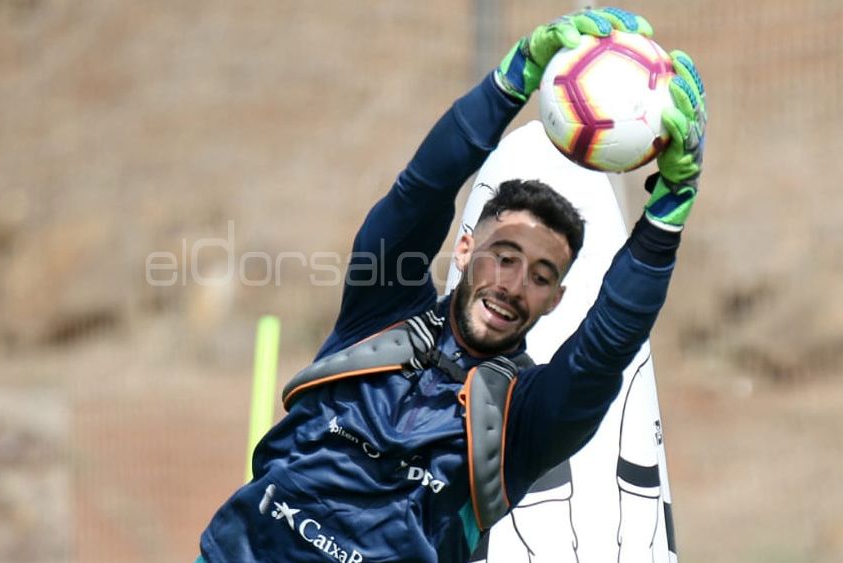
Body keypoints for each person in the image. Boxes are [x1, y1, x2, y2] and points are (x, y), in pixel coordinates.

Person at [199, 7, 706, 562]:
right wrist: (508, 84)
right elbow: (421, 191)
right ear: (465, 249)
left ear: (555, 300)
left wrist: (664, 222)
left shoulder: (524, 417)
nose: (514, 285)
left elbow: (606, 348)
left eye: (541, 276)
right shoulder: (379, 315)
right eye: (504, 257)